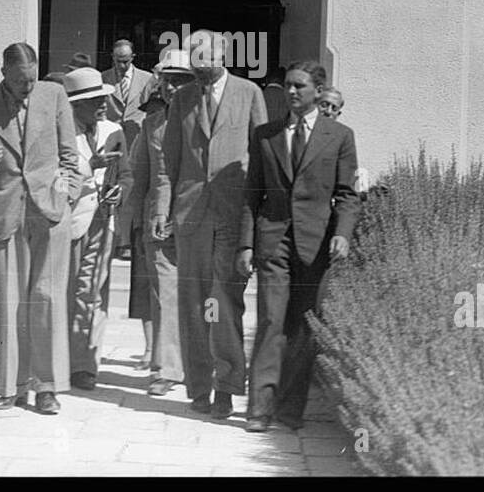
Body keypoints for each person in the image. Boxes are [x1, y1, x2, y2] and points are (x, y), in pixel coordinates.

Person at [239, 60, 359, 432]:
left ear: (318, 91)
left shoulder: (339, 136)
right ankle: (259, 410)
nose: (291, 92)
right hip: (273, 239)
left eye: (299, 87)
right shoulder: (265, 135)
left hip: (317, 243)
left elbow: (348, 195)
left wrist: (342, 232)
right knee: (271, 321)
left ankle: (290, 410)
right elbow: (251, 194)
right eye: (288, 86)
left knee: (304, 325)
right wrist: (246, 245)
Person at [154, 29, 267, 419]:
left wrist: (256, 218)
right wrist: (161, 209)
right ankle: (199, 386)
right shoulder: (181, 99)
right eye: (196, 69)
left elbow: (262, 159)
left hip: (233, 214)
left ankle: (227, 386)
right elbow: (169, 162)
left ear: (224, 59)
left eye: (207, 68)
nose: (200, 76)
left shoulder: (249, 94)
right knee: (194, 305)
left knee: (223, 303)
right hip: (191, 216)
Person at [0, 42, 80, 414]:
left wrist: (67, 195)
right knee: (10, 301)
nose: (27, 86)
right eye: (19, 81)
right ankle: (11, 387)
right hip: (5, 211)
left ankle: (47, 387)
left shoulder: (55, 94)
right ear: (4, 74)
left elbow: (69, 155)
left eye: (31, 78)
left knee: (45, 299)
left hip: (49, 212)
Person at [126, 48, 194, 395]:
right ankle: (166, 369)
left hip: (197, 220)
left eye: (179, 81)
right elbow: (140, 176)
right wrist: (131, 225)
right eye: (166, 81)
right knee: (164, 294)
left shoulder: (204, 121)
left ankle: (195, 365)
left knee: (197, 295)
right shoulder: (150, 124)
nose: (170, 88)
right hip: (157, 221)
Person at [63, 66, 132, 390]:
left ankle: (84, 366)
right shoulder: (61, 132)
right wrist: (89, 167)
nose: (103, 103)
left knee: (89, 293)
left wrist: (120, 190)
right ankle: (61, 359)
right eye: (95, 100)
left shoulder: (114, 130)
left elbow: (127, 173)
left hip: (104, 220)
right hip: (69, 220)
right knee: (68, 291)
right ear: (76, 104)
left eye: (104, 97)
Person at [102, 39, 154, 261]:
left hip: (136, 142)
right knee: (109, 189)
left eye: (125, 61)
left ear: (132, 58)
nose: (121, 66)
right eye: (117, 61)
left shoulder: (147, 79)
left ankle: (125, 242)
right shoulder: (103, 78)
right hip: (112, 142)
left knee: (130, 191)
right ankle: (110, 240)